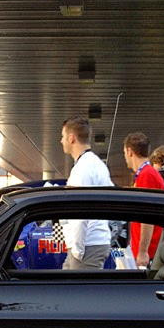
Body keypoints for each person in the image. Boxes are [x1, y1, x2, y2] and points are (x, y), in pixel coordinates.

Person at [59, 115, 113, 269]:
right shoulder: (96, 164)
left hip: (87, 244)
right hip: (93, 242)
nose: (61, 141)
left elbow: (78, 212)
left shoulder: (82, 169)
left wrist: (77, 250)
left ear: (71, 138)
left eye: (63, 136)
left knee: (77, 292)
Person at [123, 131, 164, 267]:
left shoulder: (146, 175)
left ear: (129, 151)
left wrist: (142, 251)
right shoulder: (146, 174)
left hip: (148, 252)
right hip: (146, 249)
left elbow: (148, 216)